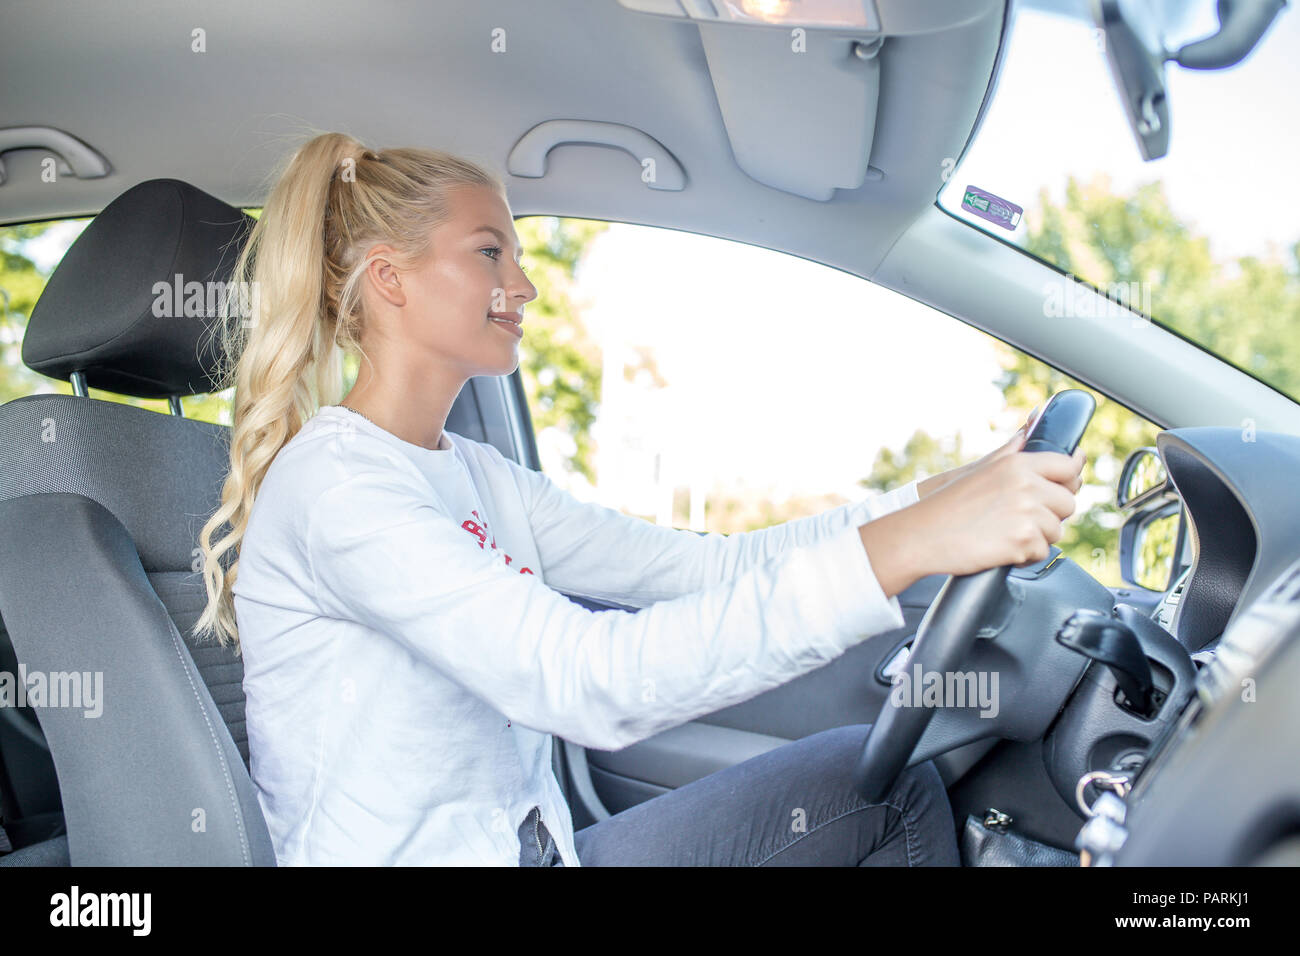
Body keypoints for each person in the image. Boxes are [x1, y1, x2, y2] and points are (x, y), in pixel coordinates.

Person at [194, 132, 1084, 867]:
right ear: (390, 280)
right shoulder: (338, 489)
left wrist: (935, 499)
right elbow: (585, 680)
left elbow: (703, 568)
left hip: (538, 854)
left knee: (874, 779)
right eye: (488, 251)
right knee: (888, 798)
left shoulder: (468, 469)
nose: (526, 284)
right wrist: (913, 545)